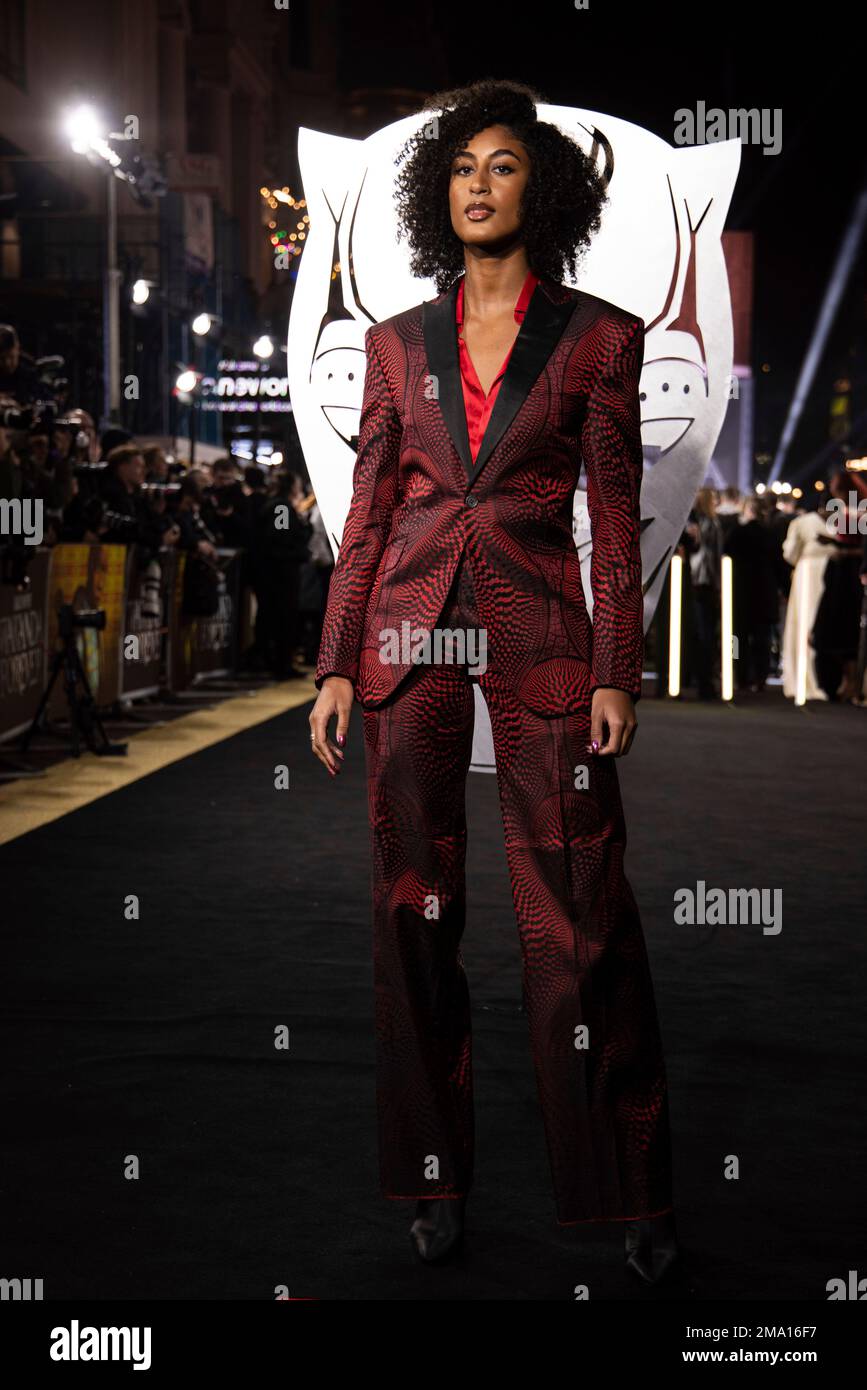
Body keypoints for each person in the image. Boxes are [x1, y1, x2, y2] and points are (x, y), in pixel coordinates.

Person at [307, 79, 679, 1284]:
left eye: (503, 164)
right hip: (405, 638)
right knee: (412, 909)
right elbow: (366, 518)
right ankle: (431, 1179)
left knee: (580, 916)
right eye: (461, 165)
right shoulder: (392, 344)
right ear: (437, 194)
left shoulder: (602, 339)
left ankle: (629, 1188)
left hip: (550, 641)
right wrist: (331, 661)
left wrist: (619, 667)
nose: (477, 181)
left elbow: (613, 526)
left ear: (542, 189)